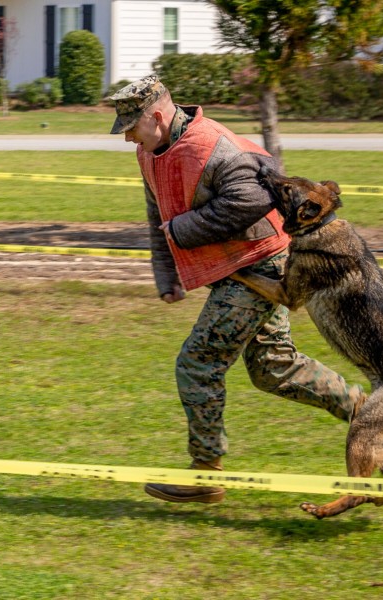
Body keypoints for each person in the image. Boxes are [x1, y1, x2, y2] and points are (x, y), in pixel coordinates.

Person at [108, 75, 365, 504]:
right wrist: (166, 274)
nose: (127, 137)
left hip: (262, 263)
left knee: (198, 362)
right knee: (273, 367)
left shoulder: (215, 148)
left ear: (156, 115)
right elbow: (158, 212)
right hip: (237, 267)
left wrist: (182, 229)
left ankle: (206, 473)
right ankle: (373, 415)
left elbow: (253, 199)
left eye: (132, 126)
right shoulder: (150, 151)